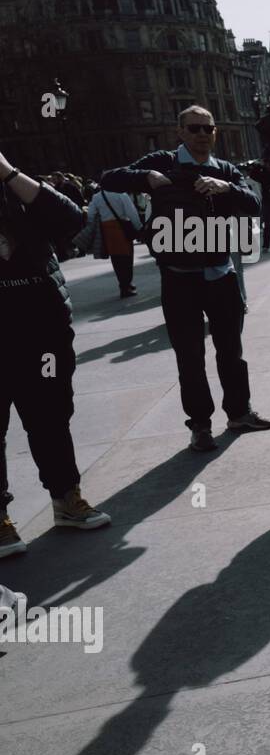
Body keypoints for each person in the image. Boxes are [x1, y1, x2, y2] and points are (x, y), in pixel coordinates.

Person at [100, 105, 270, 452]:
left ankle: (239, 412)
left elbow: (254, 205)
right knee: (189, 356)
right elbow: (108, 179)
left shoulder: (224, 169)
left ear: (215, 133)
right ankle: (200, 425)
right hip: (179, 278)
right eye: (193, 128)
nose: (201, 135)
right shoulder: (162, 161)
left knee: (231, 351)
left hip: (220, 274)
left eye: (207, 129)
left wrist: (225, 187)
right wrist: (145, 178)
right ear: (179, 132)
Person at [0, 147, 112, 563]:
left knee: (51, 417)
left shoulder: (18, 191)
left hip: (41, 331)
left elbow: (72, 219)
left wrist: (9, 172)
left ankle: (66, 500)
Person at [76, 185, 146, 297]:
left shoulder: (97, 196)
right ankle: (127, 285)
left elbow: (91, 214)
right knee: (127, 258)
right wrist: (139, 227)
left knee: (116, 258)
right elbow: (131, 212)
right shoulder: (121, 194)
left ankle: (122, 284)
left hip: (106, 230)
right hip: (122, 228)